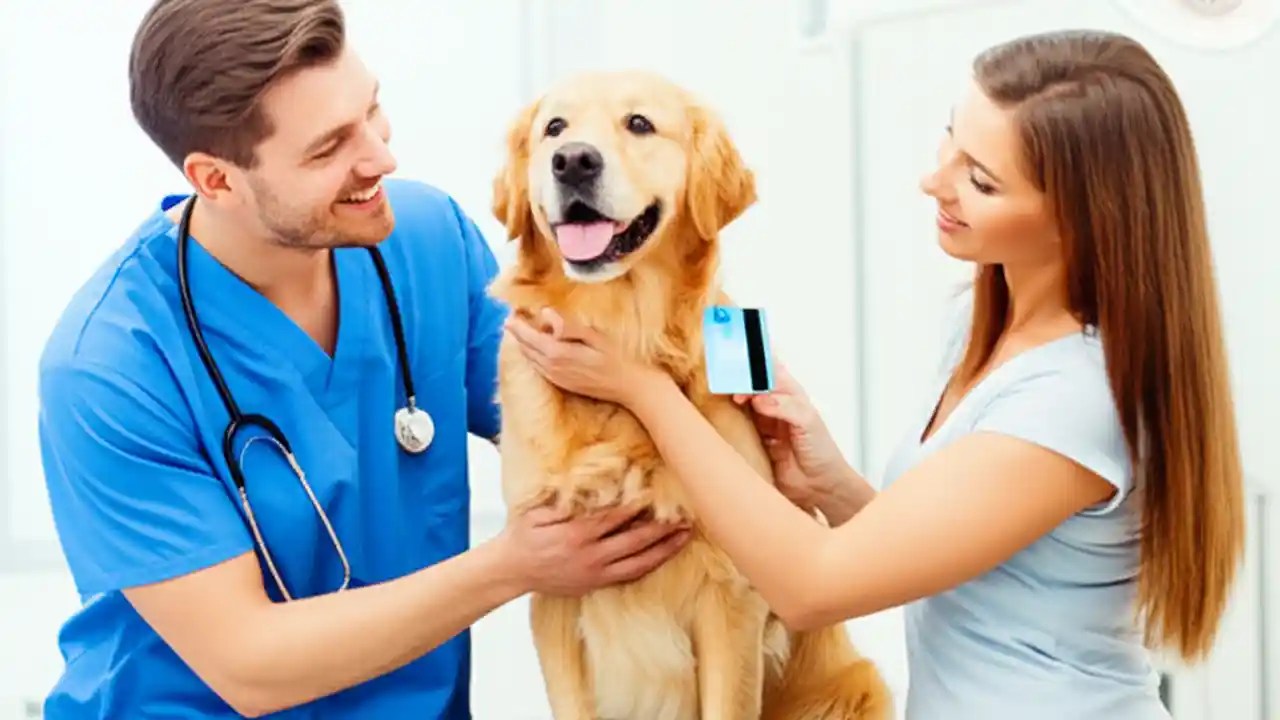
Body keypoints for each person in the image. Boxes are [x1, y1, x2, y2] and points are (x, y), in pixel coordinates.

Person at [504, 29, 1246, 719]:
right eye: (951, 141)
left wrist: (643, 389)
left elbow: (811, 589)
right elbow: (957, 564)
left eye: (981, 181)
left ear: (1079, 220)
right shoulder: (983, 326)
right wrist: (826, 482)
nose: (934, 183)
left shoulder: (1073, 400)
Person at [35, 1, 691, 718]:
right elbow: (248, 665)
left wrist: (744, 374)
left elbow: (601, 411)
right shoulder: (110, 364)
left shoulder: (429, 240)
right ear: (216, 179)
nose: (381, 157)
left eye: (372, 110)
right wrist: (511, 566)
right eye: (328, 148)